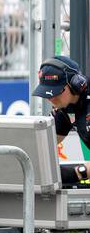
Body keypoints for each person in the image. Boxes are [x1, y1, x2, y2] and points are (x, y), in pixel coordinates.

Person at [32, 55, 90, 183]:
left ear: (76, 83)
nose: (51, 98)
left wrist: (79, 172)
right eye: (47, 92)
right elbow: (43, 143)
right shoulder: (65, 107)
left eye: (55, 91)